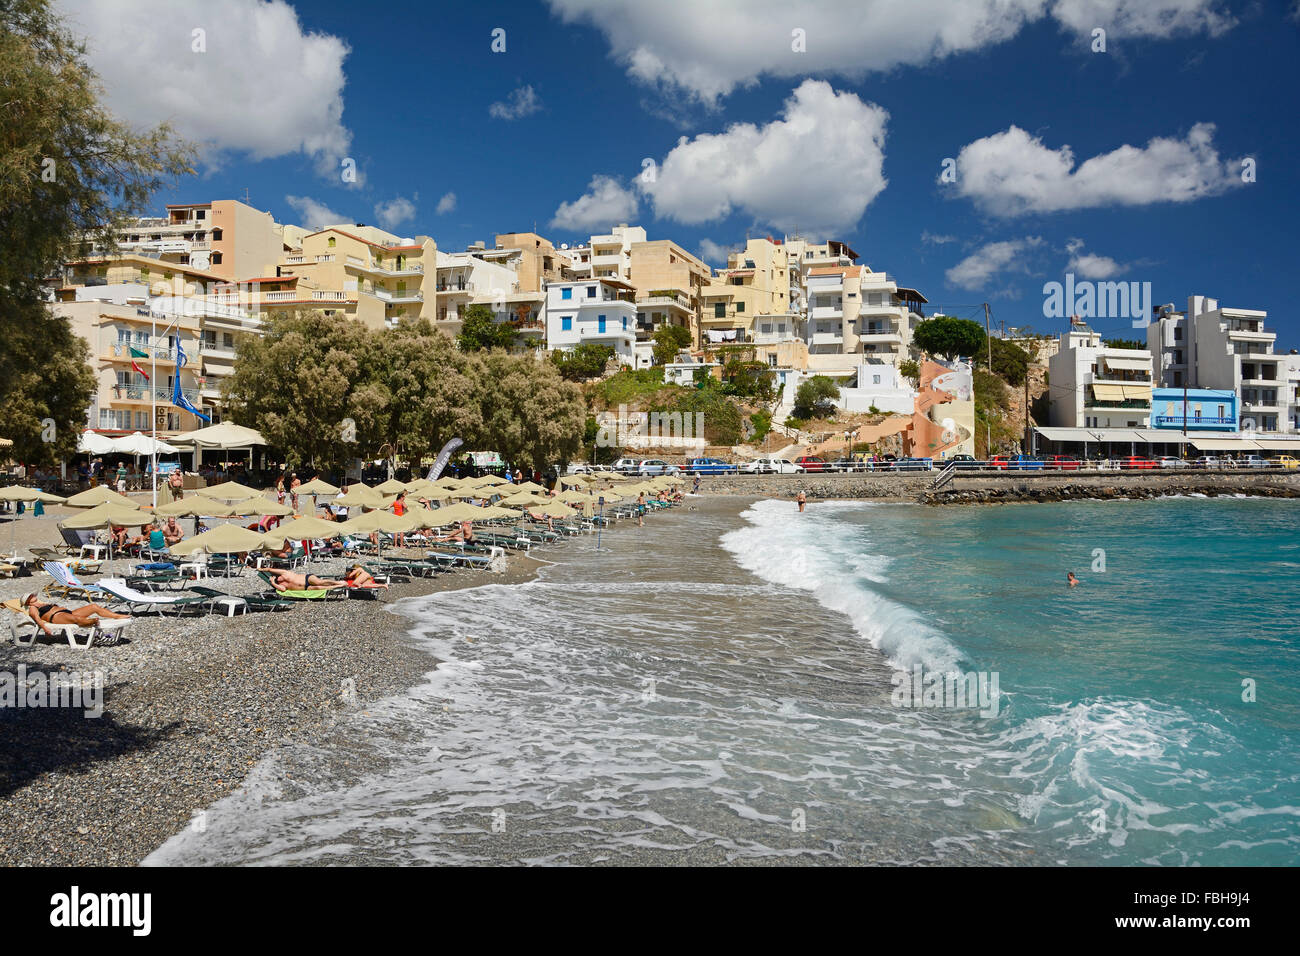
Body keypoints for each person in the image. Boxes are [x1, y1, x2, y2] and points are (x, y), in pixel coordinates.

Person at [20, 592, 130, 636]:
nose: (32, 596)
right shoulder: (32, 608)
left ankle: (117, 616)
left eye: (31, 595)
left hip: (66, 613)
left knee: (93, 607)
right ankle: (90, 622)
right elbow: (36, 618)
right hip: (56, 617)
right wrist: (45, 628)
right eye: (30, 596)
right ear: (28, 601)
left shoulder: (41, 603)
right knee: (75, 618)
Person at [263, 567, 348, 592]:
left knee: (320, 582)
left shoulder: (284, 573)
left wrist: (261, 569)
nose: (279, 578)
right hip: (305, 588)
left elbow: (269, 569)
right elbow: (283, 589)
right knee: (321, 588)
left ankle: (338, 582)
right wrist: (273, 582)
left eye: (278, 577)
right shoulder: (280, 584)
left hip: (307, 578)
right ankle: (339, 585)